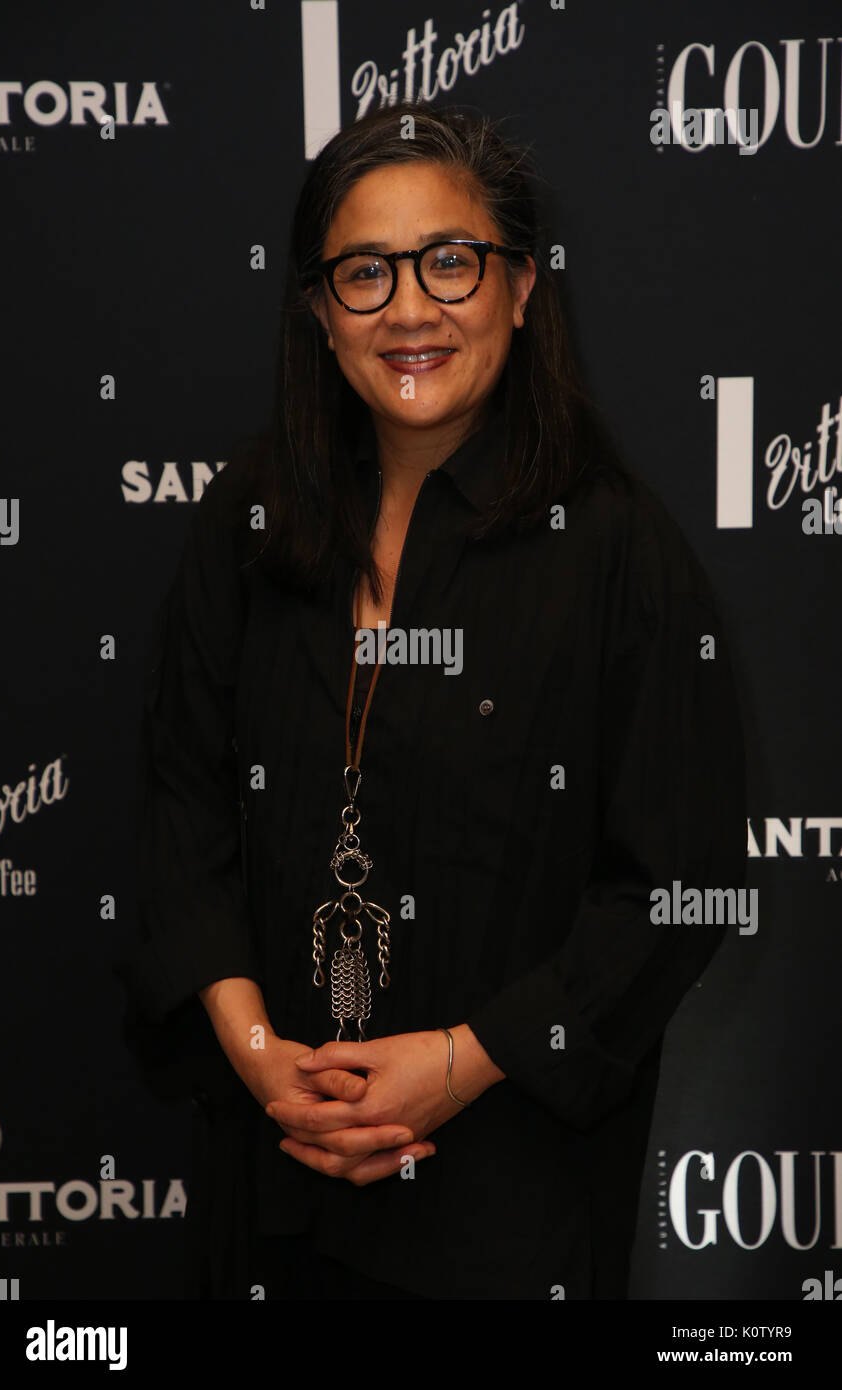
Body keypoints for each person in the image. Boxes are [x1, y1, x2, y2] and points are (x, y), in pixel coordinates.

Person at [116, 101, 747, 1301]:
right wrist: (260, 1063)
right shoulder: (247, 524)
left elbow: (675, 881)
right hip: (274, 1172)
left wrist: (461, 1065)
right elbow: (179, 808)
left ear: (519, 289)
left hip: (506, 1198)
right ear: (316, 308)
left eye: (449, 262)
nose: (410, 308)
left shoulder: (617, 549)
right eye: (365, 272)